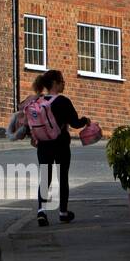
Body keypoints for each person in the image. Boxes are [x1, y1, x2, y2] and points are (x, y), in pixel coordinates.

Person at [31, 69, 87, 226]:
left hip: (43, 145)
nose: (64, 83)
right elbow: (75, 122)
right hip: (60, 143)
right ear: (55, 83)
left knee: (45, 178)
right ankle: (63, 212)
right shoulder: (63, 101)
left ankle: (41, 211)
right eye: (62, 80)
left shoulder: (38, 101)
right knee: (63, 177)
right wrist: (86, 120)